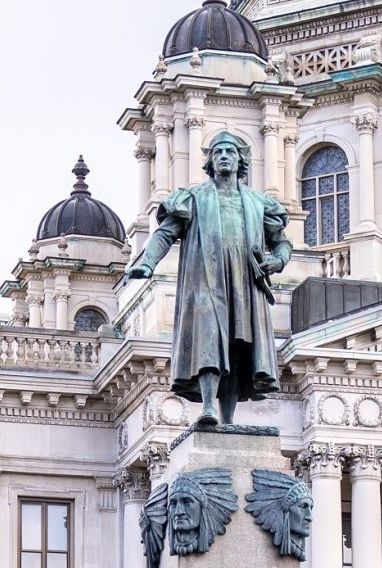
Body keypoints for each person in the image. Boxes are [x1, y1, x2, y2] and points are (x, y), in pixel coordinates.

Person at [123, 131, 291, 426]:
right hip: (206, 280)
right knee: (209, 340)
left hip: (245, 282)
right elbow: (165, 233)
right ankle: (209, 408)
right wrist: (147, 262)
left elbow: (281, 242)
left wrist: (277, 260)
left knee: (238, 347)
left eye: (230, 151)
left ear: (242, 160)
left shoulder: (257, 202)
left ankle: (227, 417)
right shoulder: (194, 198)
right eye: (218, 152)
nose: (224, 156)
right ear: (210, 162)